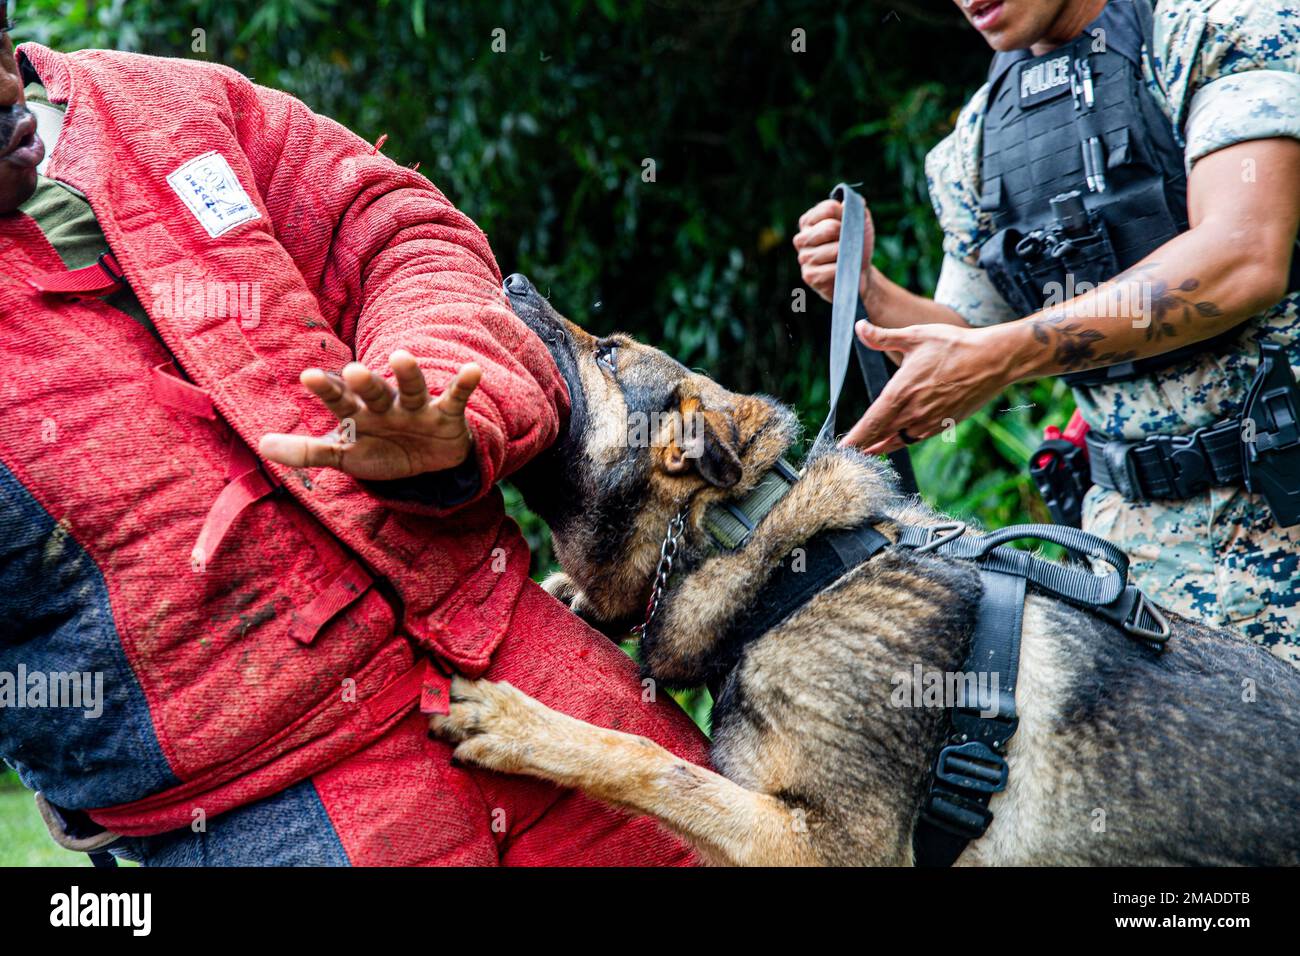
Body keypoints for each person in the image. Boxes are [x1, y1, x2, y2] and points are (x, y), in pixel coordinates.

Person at [0, 7, 707, 865]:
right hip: (263, 816)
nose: (8, 91)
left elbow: (393, 230)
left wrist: (447, 396)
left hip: (547, 690)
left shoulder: (160, 104)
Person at [794, 0, 1300, 663]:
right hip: (1133, 569)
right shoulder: (977, 140)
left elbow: (1242, 257)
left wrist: (1002, 355)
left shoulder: (1222, 28)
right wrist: (869, 291)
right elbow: (967, 338)